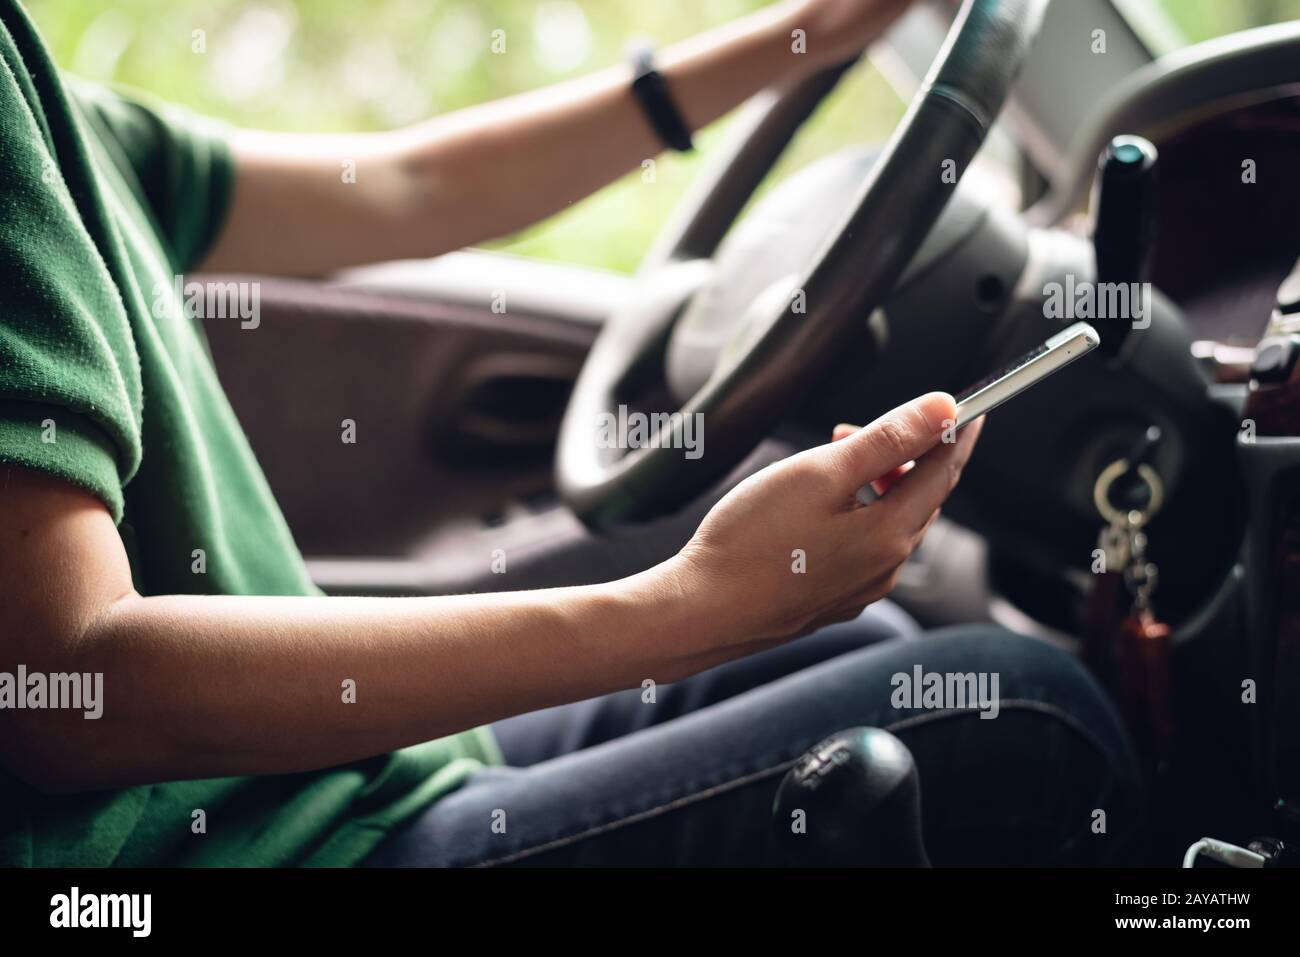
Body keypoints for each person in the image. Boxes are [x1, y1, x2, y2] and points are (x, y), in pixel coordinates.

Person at [0, 0, 1141, 867]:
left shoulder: (46, 99)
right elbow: (70, 688)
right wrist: (687, 608)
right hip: (258, 848)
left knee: (875, 647)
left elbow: (405, 187)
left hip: (326, 780)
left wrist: (813, 31)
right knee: (1024, 709)